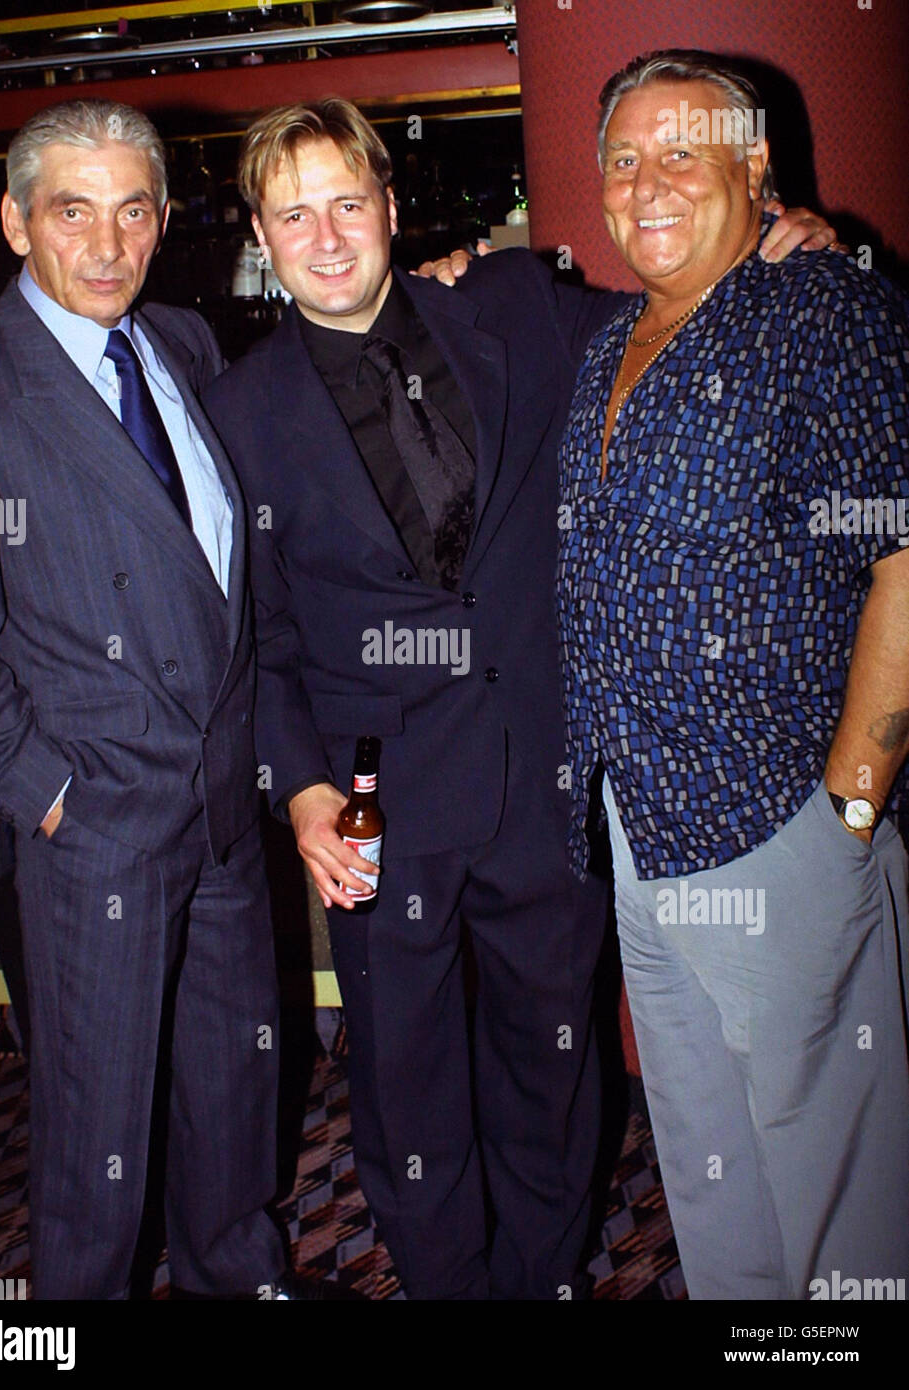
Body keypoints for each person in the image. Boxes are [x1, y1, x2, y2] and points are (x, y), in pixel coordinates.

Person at [202, 98, 830, 1300]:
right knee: (405, 1078)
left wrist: (772, 237)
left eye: (347, 203)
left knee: (551, 1065)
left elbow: (678, 311)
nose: (326, 237)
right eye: (294, 214)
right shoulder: (238, 413)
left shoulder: (508, 305)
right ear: (261, 236)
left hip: (545, 775)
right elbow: (258, 640)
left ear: (391, 208)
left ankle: (543, 1278)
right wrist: (307, 797)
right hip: (379, 808)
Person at [558, 50, 909, 1299]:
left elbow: (903, 561)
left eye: (680, 153)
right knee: (707, 1169)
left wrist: (851, 807)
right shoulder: (607, 342)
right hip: (641, 830)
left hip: (780, 827)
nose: (644, 184)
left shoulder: (826, 312)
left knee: (838, 1189)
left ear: (755, 168)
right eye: (621, 159)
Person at [0, 99, 288, 1300]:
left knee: (232, 1088)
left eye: (133, 210)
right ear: (16, 223)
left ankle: (239, 1274)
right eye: (72, 211)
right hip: (96, 828)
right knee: (98, 1137)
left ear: (164, 219)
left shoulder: (182, 339)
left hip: (221, 807)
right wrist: (51, 801)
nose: (107, 244)